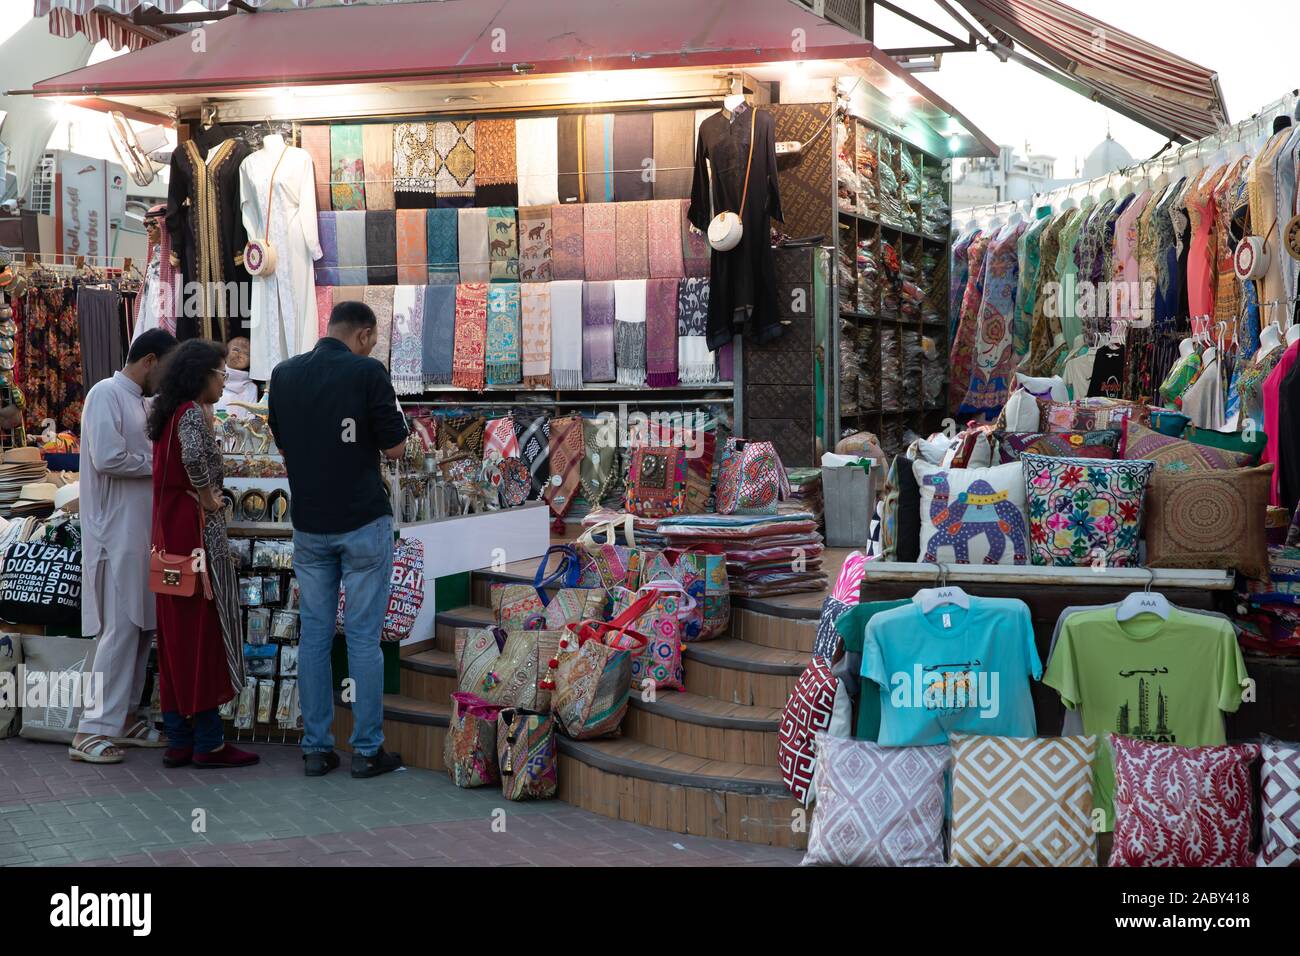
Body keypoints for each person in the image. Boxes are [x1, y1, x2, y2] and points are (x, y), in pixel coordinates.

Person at [268, 300, 408, 778]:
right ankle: (367, 751)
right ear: (365, 335)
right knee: (364, 639)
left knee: (314, 637)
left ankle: (316, 748)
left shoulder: (283, 375)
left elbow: (283, 442)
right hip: (362, 519)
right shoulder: (368, 373)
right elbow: (395, 446)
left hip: (310, 522)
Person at [146, 339, 258, 769]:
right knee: (200, 636)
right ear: (202, 375)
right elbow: (193, 457)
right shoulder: (191, 413)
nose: (223, 381)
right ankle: (208, 741)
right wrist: (209, 497)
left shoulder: (168, 415)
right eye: (221, 373)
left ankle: (179, 738)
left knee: (175, 637)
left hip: (168, 537)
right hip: (192, 539)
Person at [69, 329, 177, 764]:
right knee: (119, 631)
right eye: (166, 370)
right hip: (115, 533)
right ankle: (91, 729)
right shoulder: (105, 394)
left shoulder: (143, 400)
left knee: (143, 628)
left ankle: (127, 716)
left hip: (143, 534)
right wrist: (162, 465)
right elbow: (107, 457)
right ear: (150, 360)